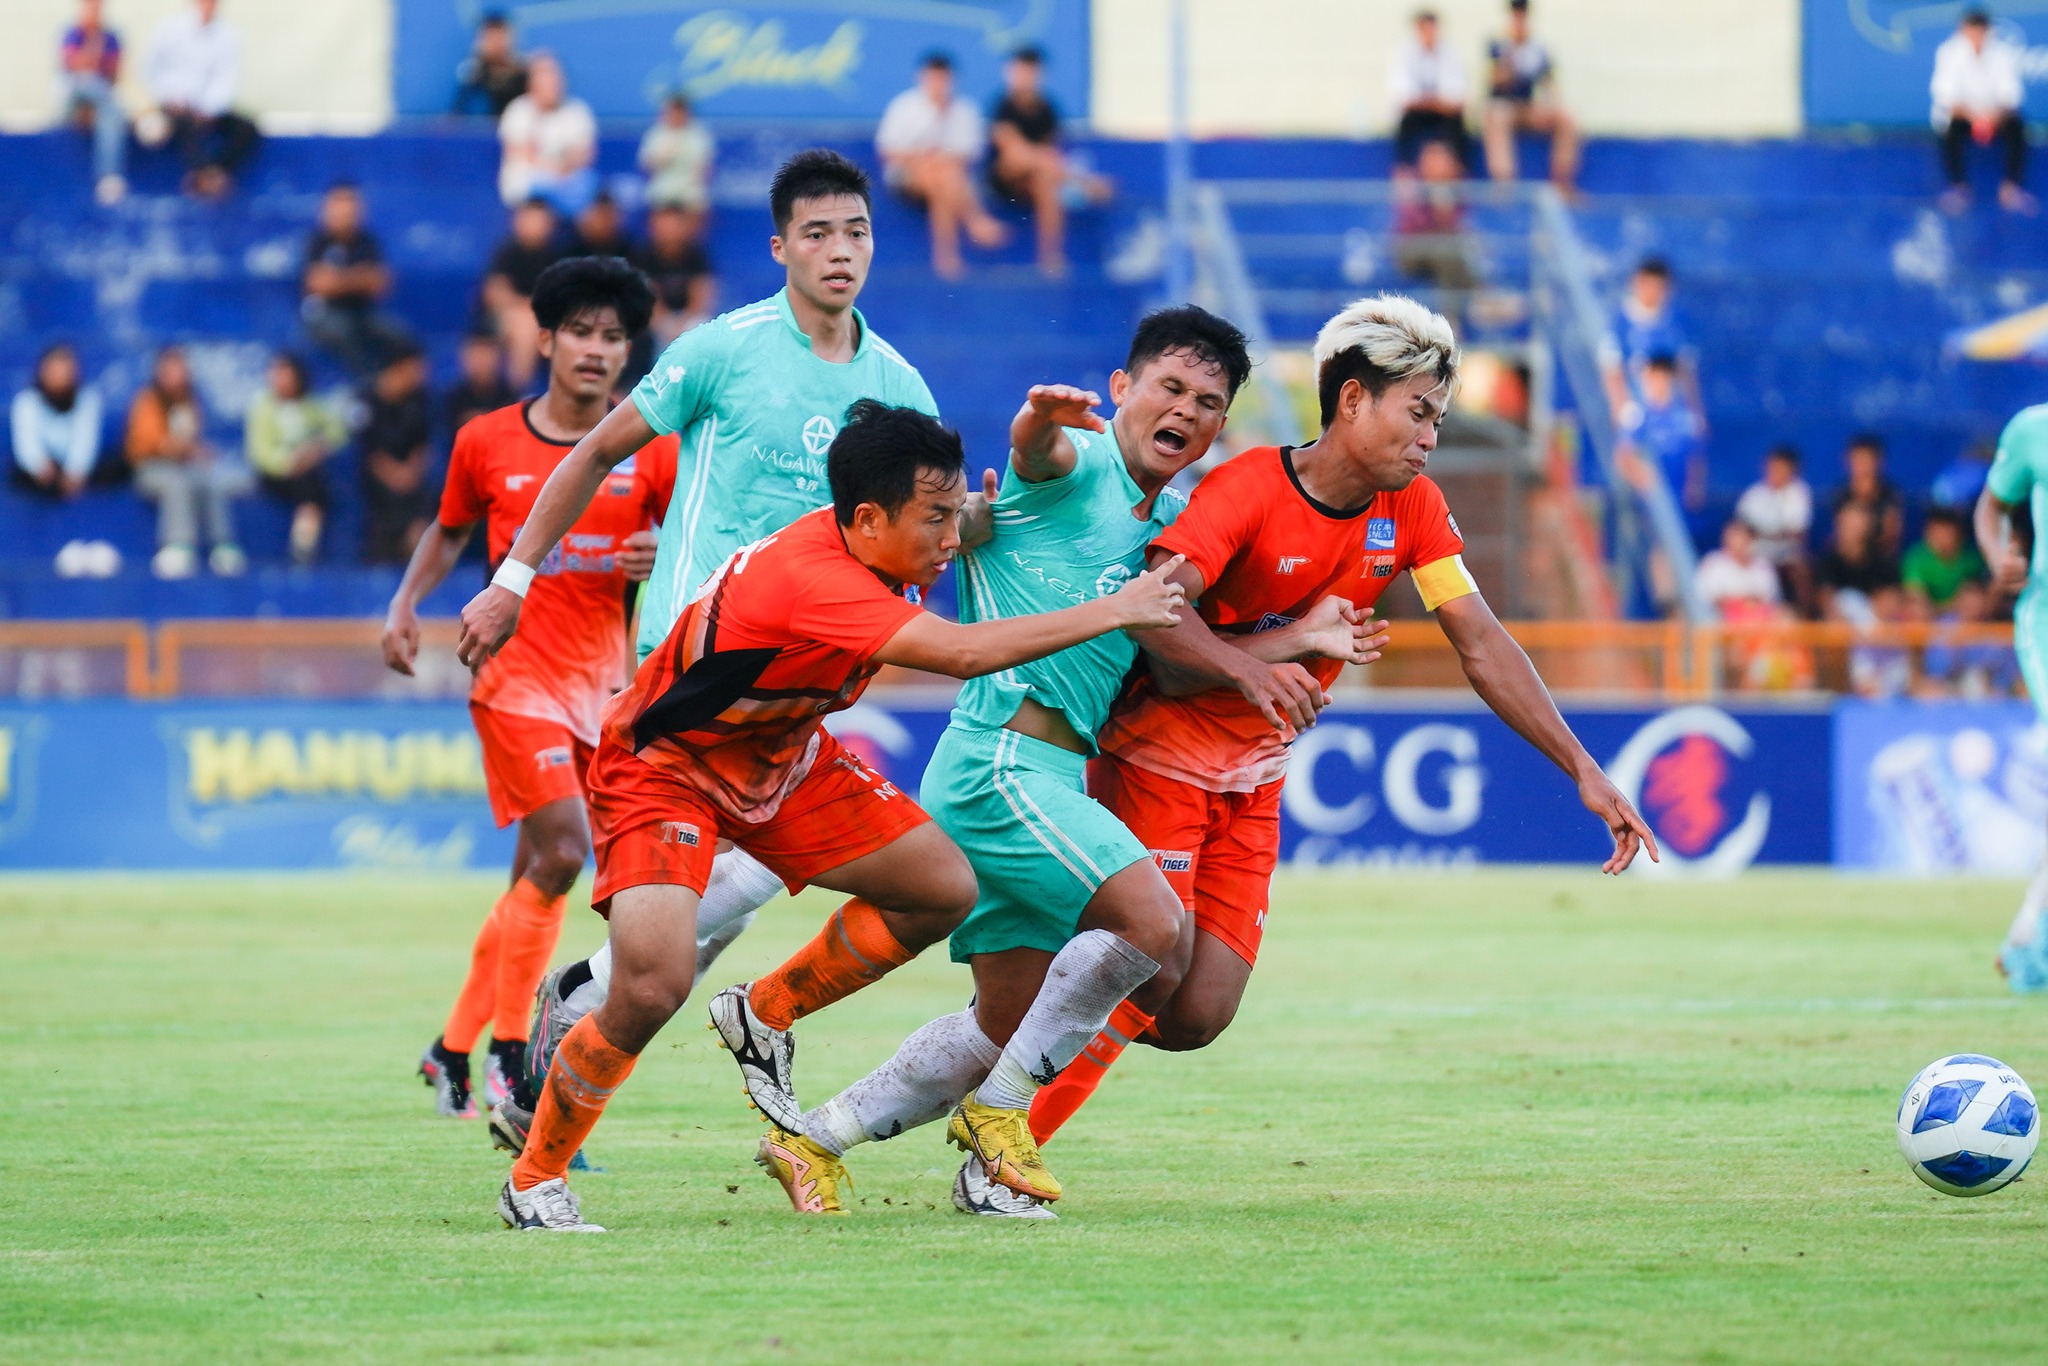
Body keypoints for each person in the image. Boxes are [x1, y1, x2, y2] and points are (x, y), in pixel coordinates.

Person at [1003, 295, 1657, 1205]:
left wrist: (1583, 768)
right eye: (1417, 412)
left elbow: (1481, 642)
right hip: (1156, 762)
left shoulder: (1414, 509)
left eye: (1437, 417)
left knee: (1197, 1015)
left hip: (1255, 781)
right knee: (1152, 968)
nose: (1430, 436)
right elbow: (1159, 609)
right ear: (1352, 400)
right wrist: (1251, 667)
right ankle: (1003, 1142)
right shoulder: (1246, 489)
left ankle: (1025, 1014)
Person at [484, 400, 1188, 1231]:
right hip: (666, 772)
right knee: (650, 987)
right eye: (934, 519)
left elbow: (961, 518)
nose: (950, 538)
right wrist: (1117, 606)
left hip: (783, 756)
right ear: (868, 519)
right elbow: (964, 653)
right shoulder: (816, 578)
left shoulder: (874, 535)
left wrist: (972, 512)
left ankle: (763, 1011)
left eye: (950, 512)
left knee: (941, 887)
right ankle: (535, 1179)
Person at [746, 309, 1287, 1217]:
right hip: (1003, 764)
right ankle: (998, 1117)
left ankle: (813, 1140)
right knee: (1154, 924)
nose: (1186, 411)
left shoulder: (1178, 525)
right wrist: (1038, 417)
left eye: (1207, 402)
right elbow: (1038, 453)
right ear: (1121, 388)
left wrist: (1302, 637)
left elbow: (1186, 651)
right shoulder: (1083, 464)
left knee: (1002, 1023)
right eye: (1169, 387)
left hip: (1038, 778)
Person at [454, 150, 940, 1158]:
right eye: (816, 233)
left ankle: (569, 1027)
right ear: (779, 247)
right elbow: (597, 450)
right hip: (688, 666)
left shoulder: (897, 386)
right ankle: (579, 1047)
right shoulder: (722, 349)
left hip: (799, 680)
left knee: (712, 914)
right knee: (702, 912)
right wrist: (513, 578)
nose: (838, 250)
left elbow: (925, 523)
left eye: (854, 232)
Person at [382, 258, 678, 1120]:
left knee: (534, 881)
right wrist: (405, 603)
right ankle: (514, 1056)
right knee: (561, 854)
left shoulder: (651, 450)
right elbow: (448, 531)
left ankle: (451, 1048)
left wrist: (658, 557)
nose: (596, 350)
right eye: (580, 332)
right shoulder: (486, 440)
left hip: (602, 688)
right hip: (513, 680)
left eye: (613, 337)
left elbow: (690, 546)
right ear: (545, 340)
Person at [1980, 403, 2048, 990]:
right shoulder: (2032, 429)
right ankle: (2029, 939)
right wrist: (1998, 555)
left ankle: (2029, 939)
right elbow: (1991, 505)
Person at [875, 52, 1007, 280]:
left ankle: (946, 258)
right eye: (933, 78)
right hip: (907, 177)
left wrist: (938, 159)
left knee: (941, 179)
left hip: (948, 178)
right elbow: (888, 152)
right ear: (922, 77)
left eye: (942, 78)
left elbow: (969, 154)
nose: (938, 84)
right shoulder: (904, 106)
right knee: (939, 172)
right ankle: (975, 219)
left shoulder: (964, 110)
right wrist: (924, 157)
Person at [987, 45, 1110, 278]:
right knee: (1030, 160)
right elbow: (1011, 150)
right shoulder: (1002, 106)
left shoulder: (1047, 109)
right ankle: (1084, 183)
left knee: (1046, 183)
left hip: (1035, 178)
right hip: (1005, 177)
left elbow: (1050, 152)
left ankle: (1050, 258)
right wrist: (1079, 178)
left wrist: (1045, 162)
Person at [126, 345, 248, 579]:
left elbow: (189, 439)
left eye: (181, 369)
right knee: (176, 483)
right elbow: (145, 444)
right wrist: (180, 448)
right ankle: (178, 546)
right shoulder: (147, 400)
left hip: (182, 466)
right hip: (150, 468)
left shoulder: (190, 401)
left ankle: (223, 545)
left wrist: (196, 451)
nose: (177, 375)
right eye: (171, 370)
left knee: (209, 480)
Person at [142, 0, 259, 199]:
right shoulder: (169, 30)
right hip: (175, 106)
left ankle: (214, 172)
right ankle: (201, 174)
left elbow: (227, 79)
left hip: (209, 109)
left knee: (246, 129)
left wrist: (208, 109)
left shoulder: (228, 36)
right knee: (185, 125)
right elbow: (152, 69)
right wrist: (173, 98)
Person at [301, 182, 412, 379]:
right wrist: (359, 277)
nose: (346, 209)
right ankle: (369, 385)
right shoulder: (317, 242)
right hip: (323, 313)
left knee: (401, 336)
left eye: (351, 202)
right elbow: (318, 284)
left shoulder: (368, 242)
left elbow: (382, 284)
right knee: (345, 331)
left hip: (362, 311)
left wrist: (339, 279)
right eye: (340, 202)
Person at [243, 352, 344, 564]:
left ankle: (303, 547)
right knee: (309, 485)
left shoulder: (311, 406)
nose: (279, 381)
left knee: (312, 484)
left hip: (306, 471)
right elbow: (260, 453)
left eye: (285, 375)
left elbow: (337, 431)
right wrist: (289, 462)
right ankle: (303, 548)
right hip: (275, 474)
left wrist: (317, 447)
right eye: (276, 375)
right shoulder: (263, 408)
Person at [1932, 7, 2033, 214]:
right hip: (1963, 117)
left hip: (1996, 117)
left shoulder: (2003, 53)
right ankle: (1958, 188)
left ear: (1988, 31)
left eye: (1980, 32)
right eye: (1971, 31)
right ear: (1962, 30)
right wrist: (1975, 118)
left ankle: (2011, 188)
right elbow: (1945, 96)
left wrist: (1992, 118)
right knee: (1949, 129)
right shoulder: (1947, 52)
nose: (1976, 37)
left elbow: (2011, 96)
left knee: (2017, 127)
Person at [1482, 0, 1578, 193]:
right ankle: (1504, 186)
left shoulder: (1538, 50)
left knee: (1566, 117)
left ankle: (1562, 183)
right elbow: (1495, 80)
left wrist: (1550, 100)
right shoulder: (1498, 46)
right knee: (1496, 116)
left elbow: (1549, 85)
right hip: (1505, 106)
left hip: (1528, 107)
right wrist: (1511, 57)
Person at [359, 344, 435, 565]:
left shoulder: (420, 401)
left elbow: (424, 444)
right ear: (398, 369)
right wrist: (394, 476)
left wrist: (410, 472)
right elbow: (368, 451)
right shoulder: (367, 402)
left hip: (413, 485)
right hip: (378, 487)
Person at [481, 197, 566, 391]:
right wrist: (527, 306)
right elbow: (494, 295)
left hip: (544, 320)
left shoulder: (556, 256)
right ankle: (518, 390)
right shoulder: (506, 253)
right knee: (525, 324)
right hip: (502, 319)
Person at [497, 53, 596, 216]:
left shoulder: (577, 111)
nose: (551, 81)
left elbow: (584, 155)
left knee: (590, 191)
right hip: (529, 181)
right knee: (537, 205)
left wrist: (562, 171)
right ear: (531, 81)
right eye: (544, 75)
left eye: (554, 74)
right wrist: (554, 170)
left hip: (568, 181)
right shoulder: (519, 110)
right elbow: (521, 153)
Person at [1601, 258, 1697, 416]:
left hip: (1673, 414)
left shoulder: (1676, 321)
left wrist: (1695, 411)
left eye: (1660, 287)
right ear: (1637, 283)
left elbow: (1686, 370)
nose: (1654, 292)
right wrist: (1620, 409)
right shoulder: (1620, 323)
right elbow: (1612, 372)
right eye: (1649, 285)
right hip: (1637, 413)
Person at [11, 343, 103, 500]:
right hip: (39, 474)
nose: (60, 378)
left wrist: (75, 472)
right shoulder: (26, 402)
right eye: (54, 372)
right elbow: (27, 446)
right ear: (42, 372)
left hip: (76, 472)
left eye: (66, 372)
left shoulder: (88, 399)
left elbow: (85, 441)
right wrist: (40, 467)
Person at [59, 0, 128, 205]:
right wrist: (94, 43)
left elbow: (114, 76)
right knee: (90, 85)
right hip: (76, 97)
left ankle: (108, 176)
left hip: (102, 100)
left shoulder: (111, 37)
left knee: (110, 114)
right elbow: (75, 68)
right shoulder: (73, 34)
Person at [1617, 354, 1706, 512]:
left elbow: (1696, 456)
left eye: (1664, 378)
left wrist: (1694, 486)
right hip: (1647, 504)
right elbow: (1624, 456)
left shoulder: (1686, 417)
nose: (1659, 384)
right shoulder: (1637, 415)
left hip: (1681, 501)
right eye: (1654, 378)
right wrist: (1641, 480)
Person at [1389, 10, 1474, 174]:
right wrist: (1433, 101)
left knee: (1457, 123)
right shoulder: (1403, 53)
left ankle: (1459, 170)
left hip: (1444, 114)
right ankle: (1404, 170)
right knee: (1406, 122)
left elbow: (1457, 98)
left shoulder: (1451, 53)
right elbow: (1403, 96)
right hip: (1416, 114)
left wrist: (1431, 102)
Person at [1733, 444, 1814, 610]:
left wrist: (1762, 533)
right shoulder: (1753, 495)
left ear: (1793, 470)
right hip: (1754, 556)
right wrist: (1766, 534)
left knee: (1802, 569)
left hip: (1786, 557)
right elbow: (1740, 530)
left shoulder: (1798, 492)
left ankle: (1802, 616)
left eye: (1782, 468)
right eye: (1773, 467)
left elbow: (1796, 532)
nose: (1776, 472)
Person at [1393, 139, 1479, 291]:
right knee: (1445, 252)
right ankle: (1480, 293)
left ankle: (1472, 297)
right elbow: (1414, 225)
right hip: (1410, 248)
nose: (1437, 164)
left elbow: (1460, 224)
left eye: (1442, 159)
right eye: (1431, 159)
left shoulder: (1458, 185)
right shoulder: (1410, 184)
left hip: (1447, 248)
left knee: (1449, 255)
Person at [642, 203, 716, 350]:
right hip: (659, 318)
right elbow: (650, 298)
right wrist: (666, 325)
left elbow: (701, 295)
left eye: (675, 224)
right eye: (665, 224)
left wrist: (684, 324)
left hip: (687, 318)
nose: (670, 230)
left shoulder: (696, 256)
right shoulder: (645, 257)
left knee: (701, 325)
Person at [1816, 502, 1902, 621]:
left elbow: (1890, 601)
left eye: (1856, 523)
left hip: (1875, 627)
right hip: (1839, 627)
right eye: (1847, 523)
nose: (1851, 529)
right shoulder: (1827, 564)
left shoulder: (1884, 565)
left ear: (1868, 526)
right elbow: (1826, 601)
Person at [637, 93, 713, 219]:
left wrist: (693, 182)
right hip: (663, 184)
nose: (676, 116)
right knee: (654, 197)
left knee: (698, 199)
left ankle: (691, 231)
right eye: (672, 112)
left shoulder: (698, 134)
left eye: (680, 112)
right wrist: (662, 158)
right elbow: (646, 166)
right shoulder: (655, 134)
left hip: (690, 186)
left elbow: (706, 166)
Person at [1831, 433, 1906, 560]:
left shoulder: (1891, 494)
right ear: (1847, 461)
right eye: (1858, 459)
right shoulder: (1841, 494)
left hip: (1881, 558)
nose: (1863, 466)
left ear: (1880, 461)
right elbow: (1840, 536)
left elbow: (1893, 536)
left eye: (1868, 459)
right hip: (1848, 558)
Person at [1902, 507, 1989, 612]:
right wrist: (1936, 611)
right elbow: (1915, 594)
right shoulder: (1916, 558)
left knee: (1974, 601)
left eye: (1946, 531)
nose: (1941, 537)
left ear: (1959, 533)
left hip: (1961, 613)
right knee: (1915, 607)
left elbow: (1975, 590)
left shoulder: (1971, 558)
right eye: (1935, 531)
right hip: (1928, 613)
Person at [1695, 518, 1783, 618]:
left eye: (1743, 539)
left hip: (1760, 620)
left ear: (1751, 540)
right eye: (1734, 538)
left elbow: (1769, 599)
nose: (1738, 544)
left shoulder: (1763, 566)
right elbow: (1710, 599)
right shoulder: (1713, 563)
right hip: (1721, 621)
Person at [453, 11, 528, 118]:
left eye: (500, 36)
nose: (496, 43)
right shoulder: (475, 73)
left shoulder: (522, 72)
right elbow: (459, 112)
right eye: (490, 37)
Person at [443, 333, 514, 437]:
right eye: (476, 355)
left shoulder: (510, 397)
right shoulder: (452, 398)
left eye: (486, 354)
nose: (481, 362)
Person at [564, 191, 639, 263]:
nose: (603, 223)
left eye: (608, 217)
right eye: (599, 216)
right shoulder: (570, 250)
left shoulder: (631, 250)